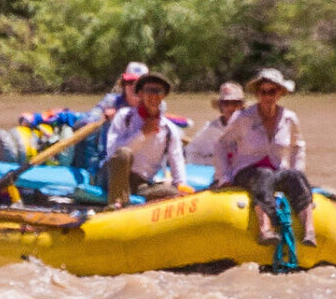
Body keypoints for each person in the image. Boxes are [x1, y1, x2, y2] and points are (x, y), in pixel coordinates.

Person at [215, 68, 313, 245]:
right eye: (263, 92)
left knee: (296, 176)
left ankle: (309, 231)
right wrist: (224, 176)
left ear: (280, 93)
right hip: (248, 172)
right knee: (263, 175)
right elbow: (222, 144)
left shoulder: (289, 118)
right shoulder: (244, 118)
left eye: (272, 91)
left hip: (278, 171)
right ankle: (265, 229)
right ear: (258, 94)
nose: (268, 96)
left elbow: (298, 147)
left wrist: (297, 169)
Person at [102, 72, 193, 207]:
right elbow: (113, 152)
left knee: (174, 193)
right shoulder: (124, 117)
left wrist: (181, 185)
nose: (154, 96)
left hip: (141, 184)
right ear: (140, 94)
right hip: (112, 176)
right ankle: (116, 206)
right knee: (124, 153)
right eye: (149, 90)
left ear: (164, 96)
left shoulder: (169, 129)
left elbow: (177, 160)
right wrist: (142, 134)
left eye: (159, 91)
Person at [185, 81, 243, 167]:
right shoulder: (209, 130)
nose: (231, 107)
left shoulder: (251, 127)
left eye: (235, 103)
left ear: (241, 105)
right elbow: (190, 153)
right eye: (226, 103)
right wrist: (214, 162)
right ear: (220, 106)